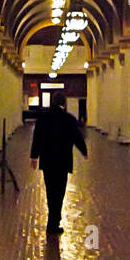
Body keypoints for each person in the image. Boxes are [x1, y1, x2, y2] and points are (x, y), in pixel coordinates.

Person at [29, 94, 87, 235]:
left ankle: (51, 221)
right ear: (64, 103)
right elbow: (77, 137)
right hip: (63, 161)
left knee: (50, 191)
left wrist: (34, 156)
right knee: (59, 192)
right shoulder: (69, 119)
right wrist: (84, 151)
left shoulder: (43, 119)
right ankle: (55, 222)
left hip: (48, 161)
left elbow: (37, 138)